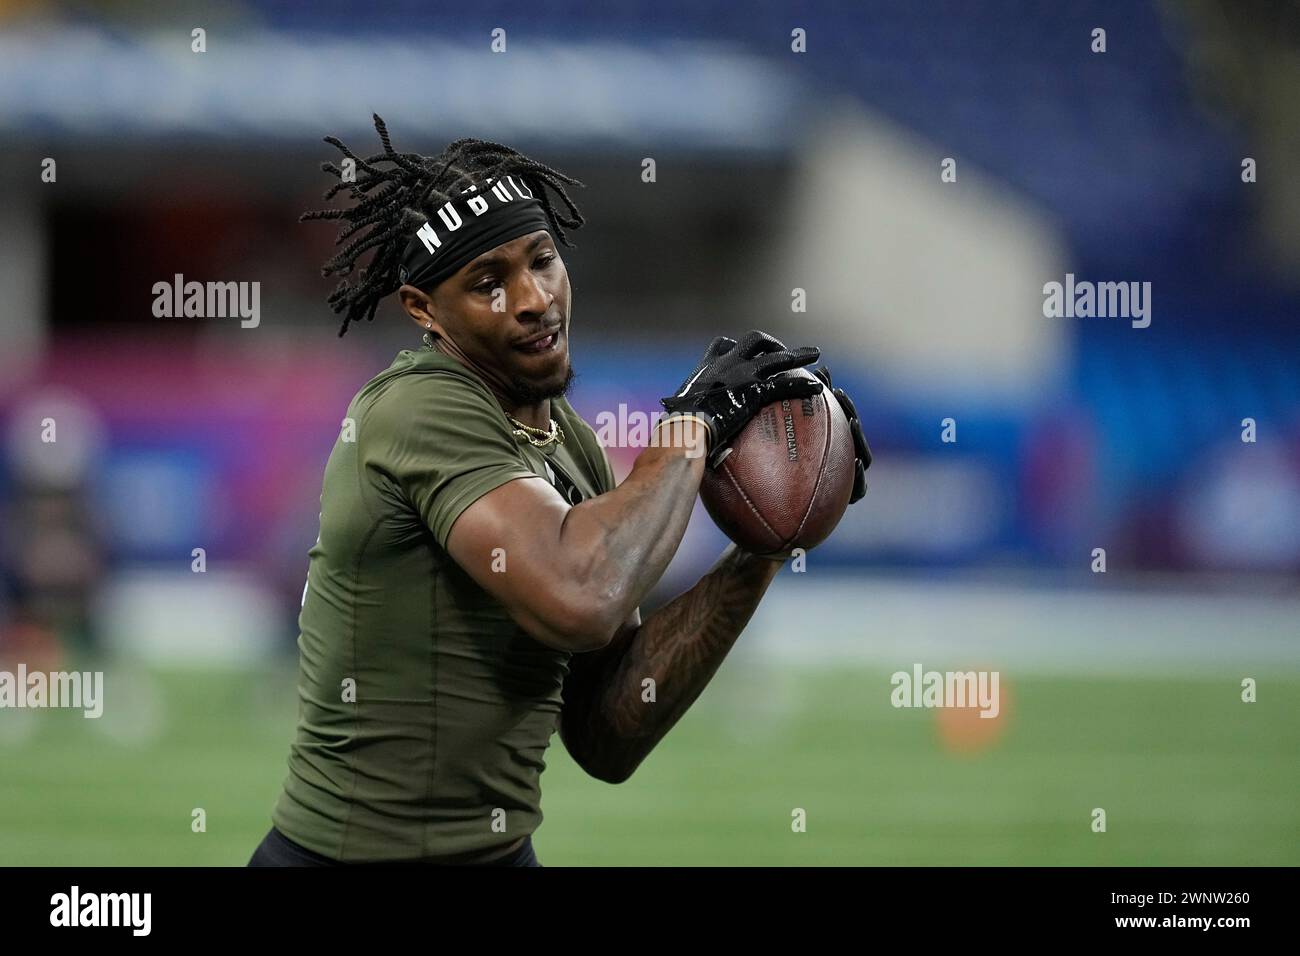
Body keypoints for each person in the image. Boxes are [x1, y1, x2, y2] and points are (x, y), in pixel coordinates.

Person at [248, 115, 871, 866]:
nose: (533, 298)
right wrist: (691, 433)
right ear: (423, 310)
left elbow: (610, 730)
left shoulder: (570, 443)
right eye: (488, 283)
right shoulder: (417, 406)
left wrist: (762, 545)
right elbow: (579, 591)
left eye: (542, 260)